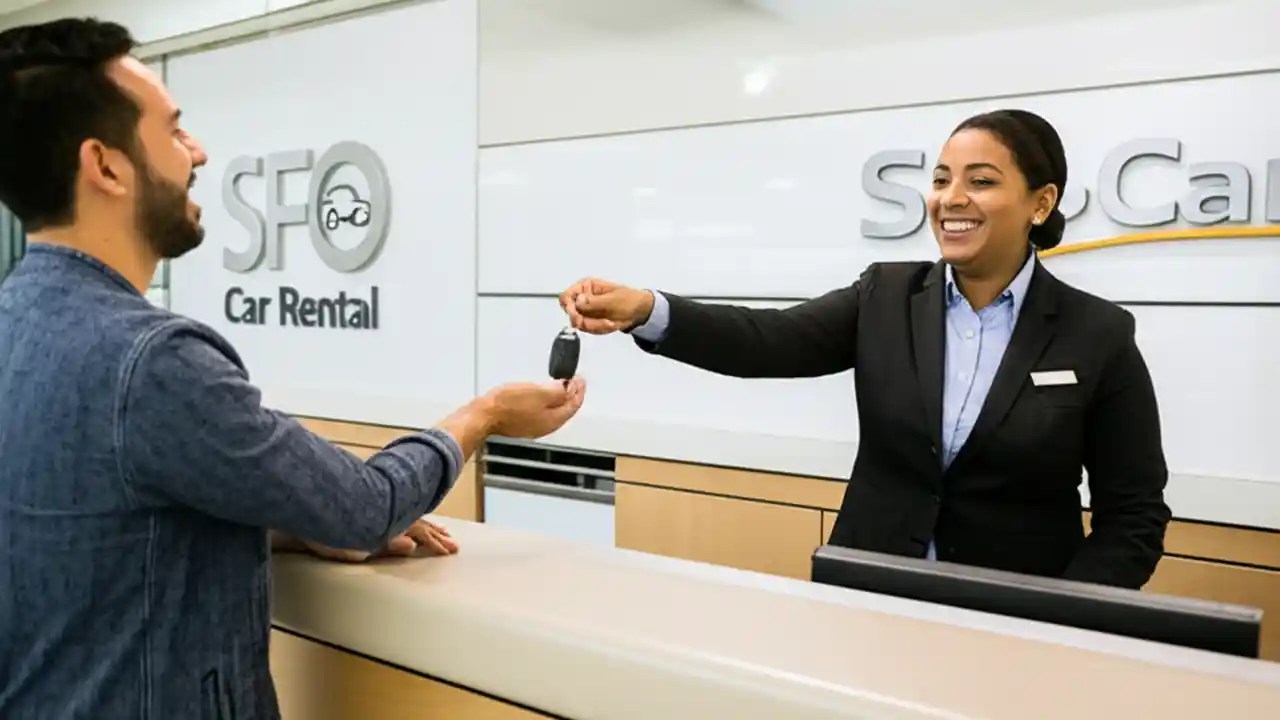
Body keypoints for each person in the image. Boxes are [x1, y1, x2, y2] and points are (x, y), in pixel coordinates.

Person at [0, 18, 586, 719]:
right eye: (175, 130)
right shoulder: (153, 361)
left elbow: (87, 529)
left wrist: (270, 524)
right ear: (106, 166)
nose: (200, 152)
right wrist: (483, 414)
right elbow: (364, 509)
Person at [560, 108, 1171, 591]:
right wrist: (647, 309)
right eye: (941, 180)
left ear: (1041, 202)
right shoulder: (885, 295)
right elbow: (767, 342)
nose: (951, 198)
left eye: (981, 182)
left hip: (1015, 622)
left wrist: (1064, 614)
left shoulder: (1099, 334)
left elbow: (1135, 516)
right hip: (869, 599)